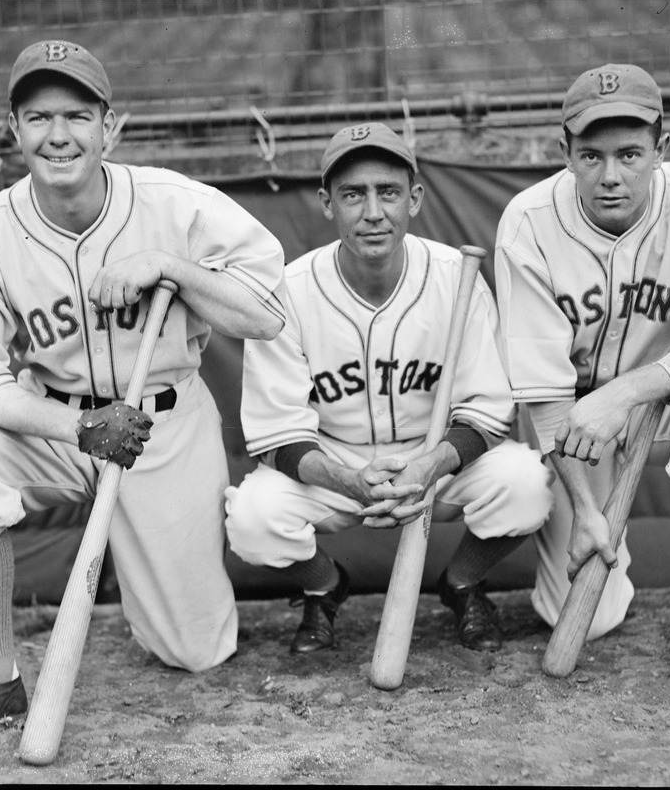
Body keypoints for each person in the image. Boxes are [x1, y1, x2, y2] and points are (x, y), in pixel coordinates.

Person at [0, 40, 286, 752]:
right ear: (11, 131)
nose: (59, 136)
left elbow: (265, 314)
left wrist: (170, 265)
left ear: (111, 126)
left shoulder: (176, 205)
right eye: (38, 117)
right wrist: (79, 426)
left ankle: (150, 582)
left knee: (192, 650)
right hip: (53, 422)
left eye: (77, 115)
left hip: (163, 423)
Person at [494, 63, 670, 698]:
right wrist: (590, 512)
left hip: (664, 391)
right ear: (564, 151)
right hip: (577, 423)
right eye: (591, 155)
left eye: (629, 154)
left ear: (661, 150)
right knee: (589, 618)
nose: (611, 175)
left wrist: (626, 393)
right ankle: (587, 527)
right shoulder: (528, 222)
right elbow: (542, 393)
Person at [224, 122, 553, 655]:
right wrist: (351, 481)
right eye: (354, 194)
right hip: (335, 463)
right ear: (327, 204)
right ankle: (323, 586)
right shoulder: (289, 290)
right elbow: (278, 433)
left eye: (388, 192)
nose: (373, 212)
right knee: (253, 518)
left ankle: (463, 583)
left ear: (414, 199)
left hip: (436, 461)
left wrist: (428, 469)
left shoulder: (455, 276)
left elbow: (487, 414)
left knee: (526, 483)